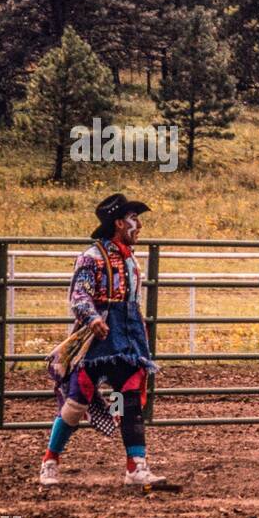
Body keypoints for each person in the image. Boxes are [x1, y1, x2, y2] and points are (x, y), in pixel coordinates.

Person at [38, 194, 169, 490]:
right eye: (134, 219)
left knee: (131, 398)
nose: (140, 225)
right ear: (120, 223)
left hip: (128, 332)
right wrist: (92, 317)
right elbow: (79, 294)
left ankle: (136, 467)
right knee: (76, 401)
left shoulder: (129, 258)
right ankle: (50, 461)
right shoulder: (92, 257)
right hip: (100, 336)